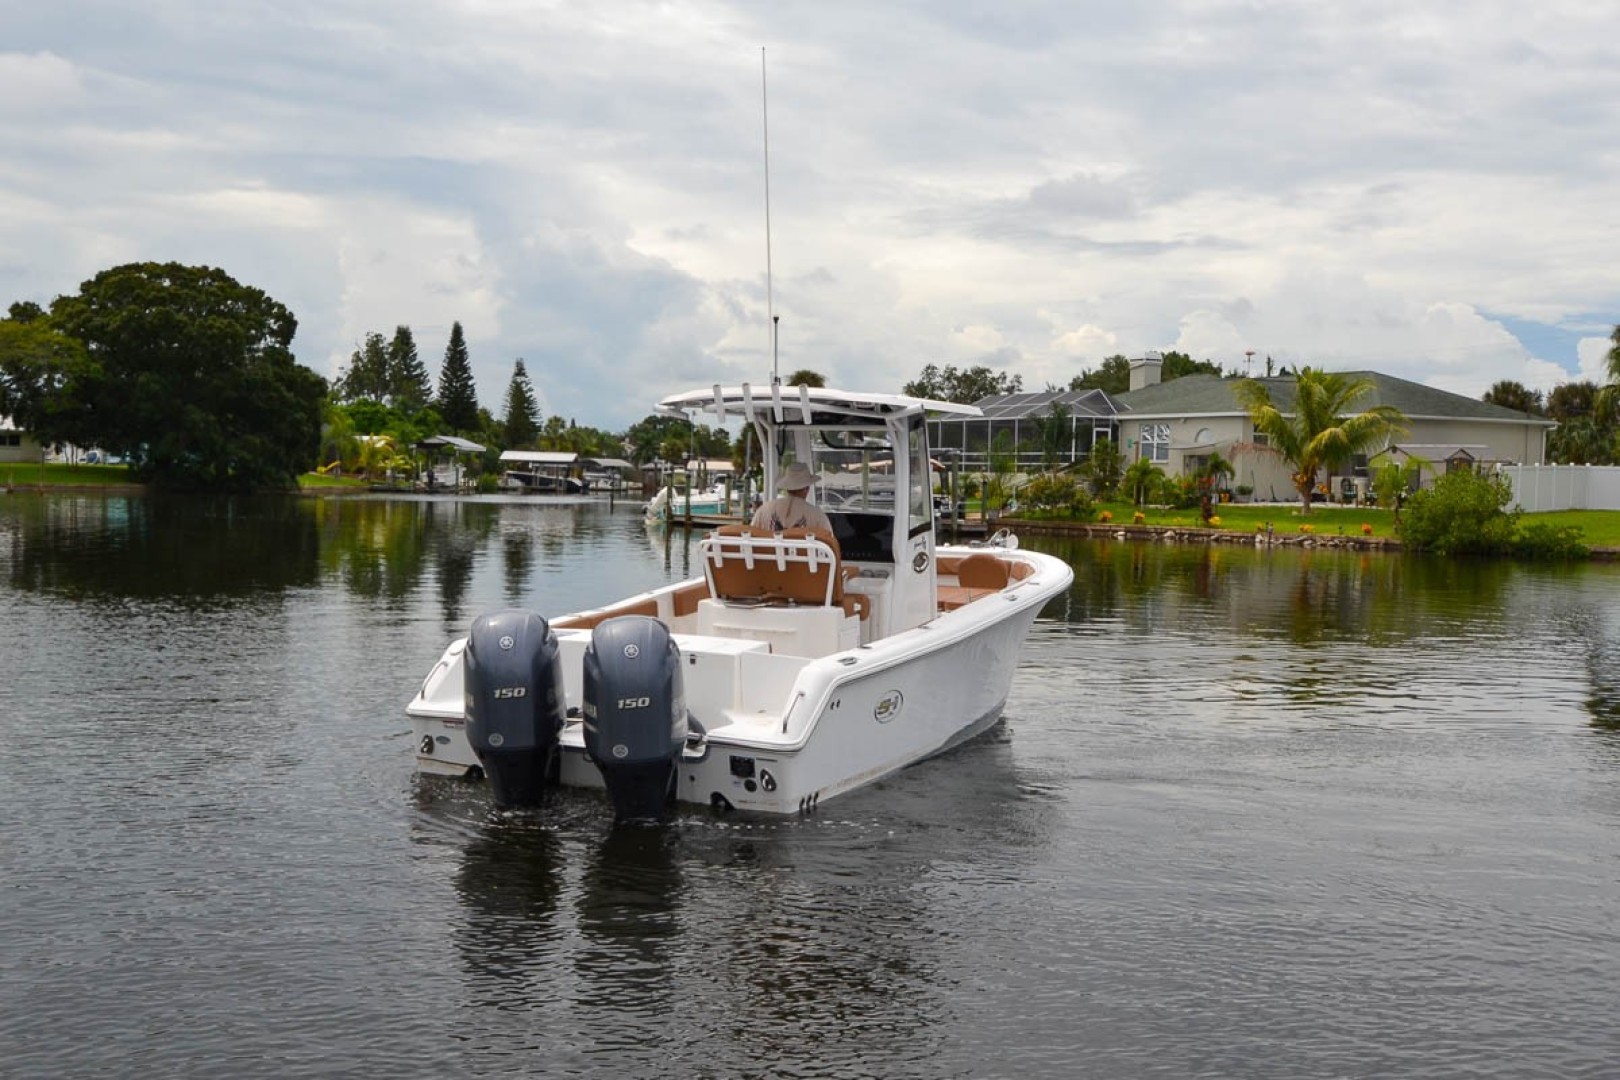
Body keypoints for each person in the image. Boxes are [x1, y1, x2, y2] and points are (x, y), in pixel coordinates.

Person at [751, 461, 832, 534]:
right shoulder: (818, 516)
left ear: (787, 488)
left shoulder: (763, 511)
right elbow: (830, 544)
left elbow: (751, 536)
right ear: (807, 488)